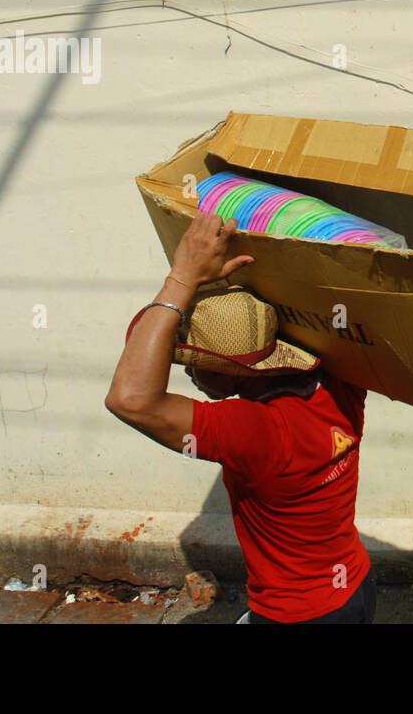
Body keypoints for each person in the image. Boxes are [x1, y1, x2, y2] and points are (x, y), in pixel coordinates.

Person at [105, 211, 374, 623]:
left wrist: (182, 278)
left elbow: (131, 399)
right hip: (356, 587)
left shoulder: (252, 430)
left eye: (194, 363)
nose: (188, 373)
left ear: (228, 371)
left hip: (295, 615)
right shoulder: (341, 385)